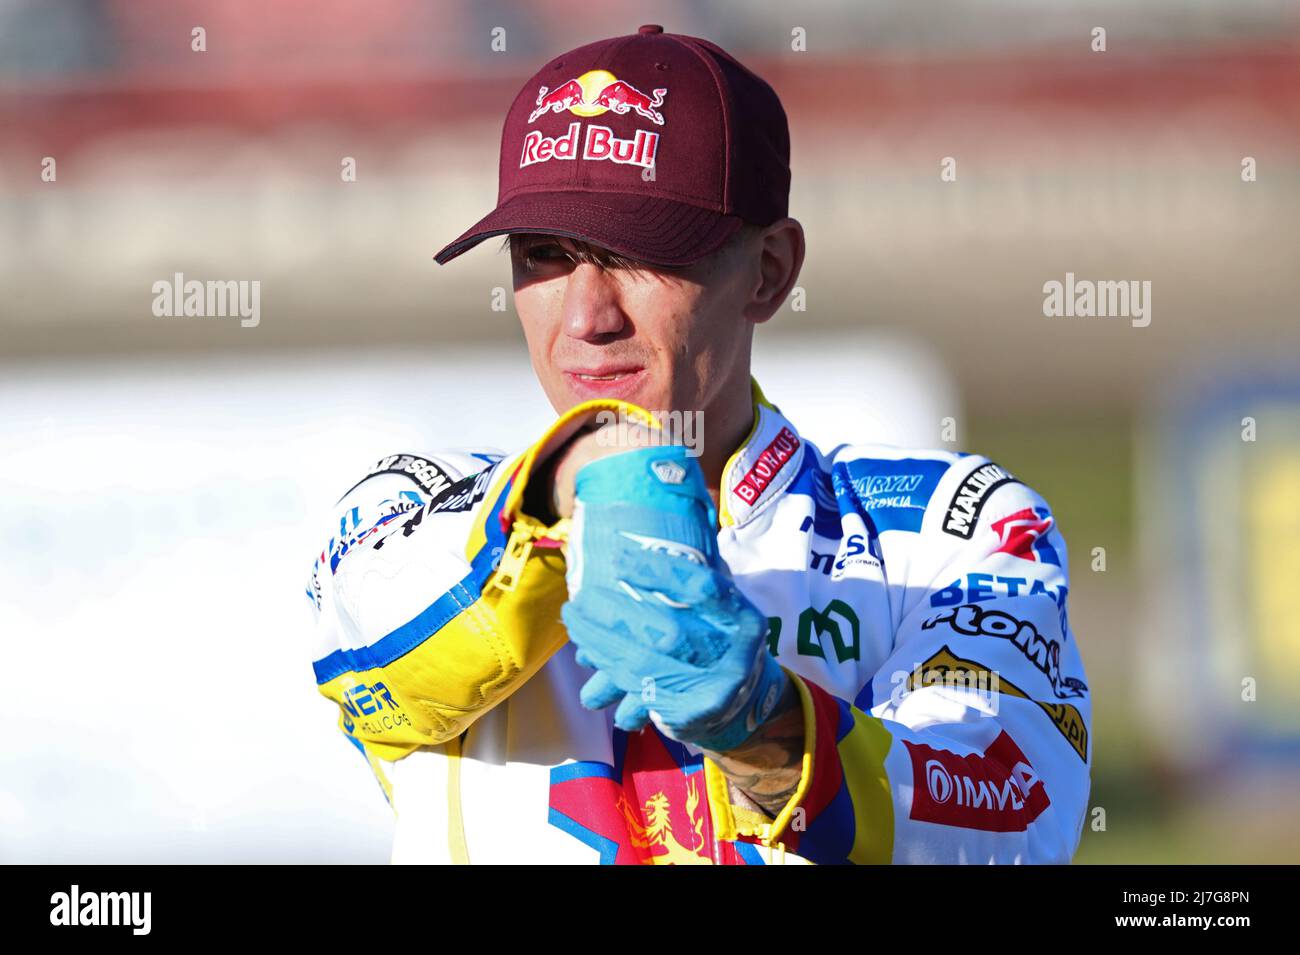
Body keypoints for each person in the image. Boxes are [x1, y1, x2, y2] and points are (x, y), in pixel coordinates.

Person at [304, 25, 1091, 864]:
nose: (585, 319)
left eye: (638, 253)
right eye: (543, 255)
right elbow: (383, 660)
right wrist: (583, 478)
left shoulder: (951, 526)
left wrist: (766, 729)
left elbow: (1015, 815)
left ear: (769, 271)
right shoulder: (407, 512)